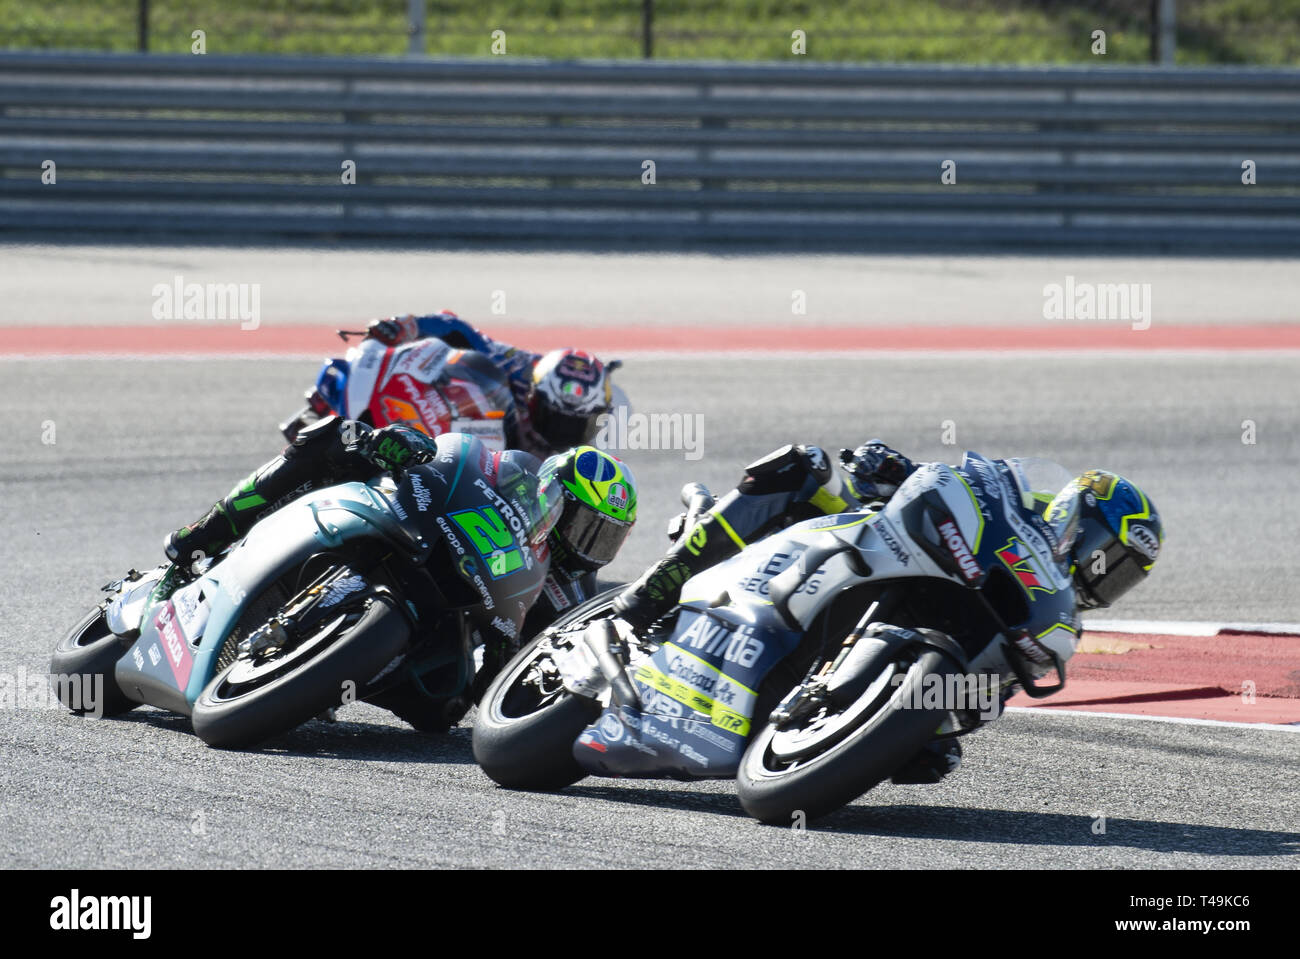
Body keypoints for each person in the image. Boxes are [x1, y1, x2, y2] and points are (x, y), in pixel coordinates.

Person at [609, 440, 1164, 784]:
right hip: (859, 547)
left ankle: (836, 724)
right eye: (1107, 556)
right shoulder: (1016, 509)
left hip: (908, 641)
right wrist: (891, 466)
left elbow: (989, 693)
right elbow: (946, 491)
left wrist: (932, 730)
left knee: (930, 757)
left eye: (1121, 574)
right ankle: (653, 593)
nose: (1103, 576)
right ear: (1079, 520)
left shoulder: (1055, 619)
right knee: (801, 467)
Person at [162, 416, 638, 729]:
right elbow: (461, 460)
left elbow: (545, 678)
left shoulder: (576, 600)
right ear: (552, 495)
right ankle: (204, 533)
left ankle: (317, 677)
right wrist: (406, 444)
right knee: (336, 436)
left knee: (438, 717)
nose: (586, 543)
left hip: (448, 649)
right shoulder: (513, 474)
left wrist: (510, 663)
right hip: (422, 539)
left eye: (603, 536)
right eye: (582, 523)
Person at [363, 311, 621, 459]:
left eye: (578, 425)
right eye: (557, 419)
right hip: (468, 438)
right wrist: (405, 326)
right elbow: (456, 328)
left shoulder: (579, 456)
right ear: (534, 394)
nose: (564, 434)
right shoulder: (520, 367)